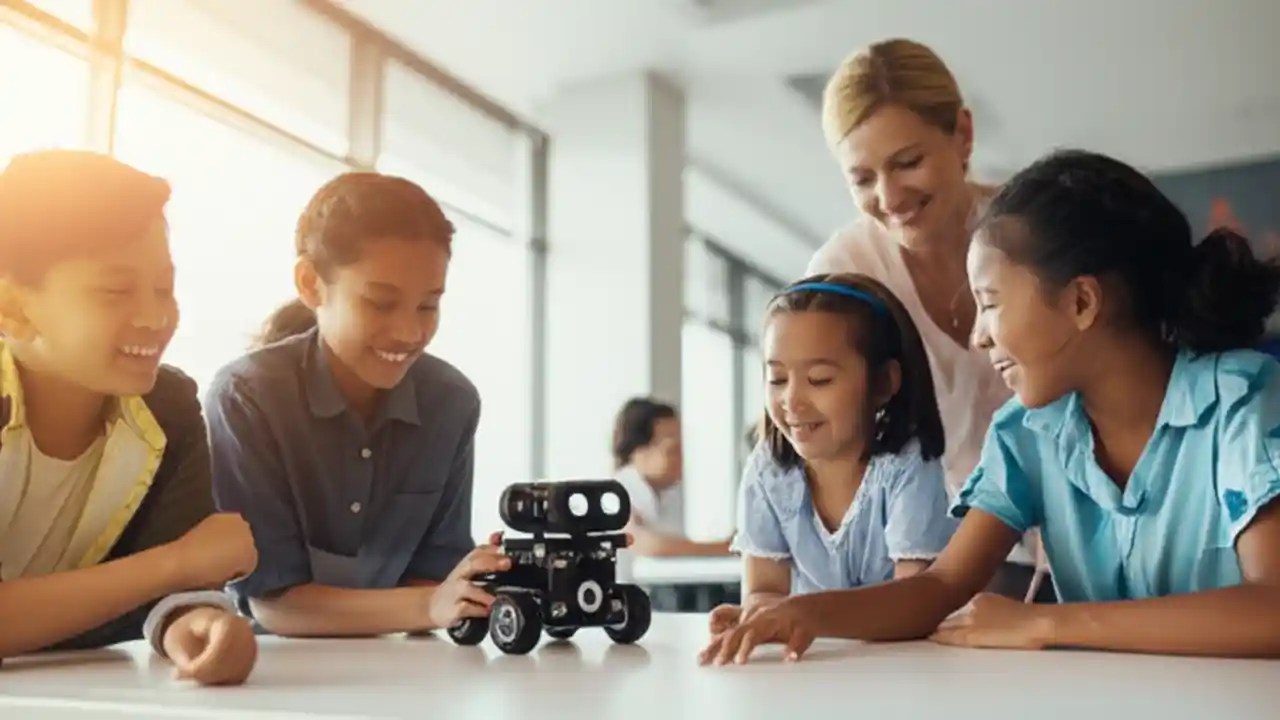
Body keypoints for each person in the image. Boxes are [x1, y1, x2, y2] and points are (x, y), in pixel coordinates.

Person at [699, 149, 1280, 664]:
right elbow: (940, 586)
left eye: (991, 302)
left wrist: (1047, 623)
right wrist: (809, 614)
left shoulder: (1241, 402)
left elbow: (1272, 606)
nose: (977, 336)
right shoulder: (1028, 434)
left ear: (1081, 301)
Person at [207, 172, 506, 638]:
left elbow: (434, 577)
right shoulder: (248, 397)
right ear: (311, 284)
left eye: (428, 305)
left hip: (399, 664)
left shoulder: (451, 402)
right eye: (380, 303)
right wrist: (430, 603)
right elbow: (275, 603)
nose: (410, 333)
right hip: (261, 666)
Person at [0, 150, 258, 685]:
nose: (156, 315)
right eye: (115, 291)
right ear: (14, 308)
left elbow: (175, 592)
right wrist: (177, 562)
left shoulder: (168, 408)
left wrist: (196, 625)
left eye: (164, 287)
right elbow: (181, 560)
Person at [805, 38, 1043, 597]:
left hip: (1064, 541)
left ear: (962, 135)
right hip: (924, 553)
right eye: (862, 178)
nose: (890, 196)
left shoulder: (1039, 235)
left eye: (907, 162)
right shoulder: (844, 271)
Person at [708, 273, 957, 633]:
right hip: (818, 666)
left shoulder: (907, 466)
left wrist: (807, 616)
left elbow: (912, 603)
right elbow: (764, 589)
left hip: (903, 667)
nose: (791, 400)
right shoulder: (768, 470)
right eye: (777, 379)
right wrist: (760, 615)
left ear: (884, 382)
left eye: (819, 379)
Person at [612, 397, 732, 559]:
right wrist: (725, 548)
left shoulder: (667, 493)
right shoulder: (617, 495)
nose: (681, 458)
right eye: (672, 450)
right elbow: (646, 545)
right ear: (639, 452)